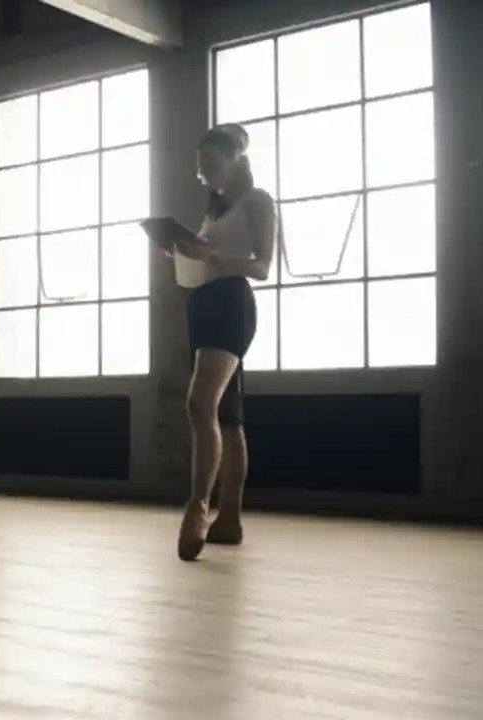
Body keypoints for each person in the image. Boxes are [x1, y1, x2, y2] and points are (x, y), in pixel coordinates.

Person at [169, 124, 277, 561]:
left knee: (200, 403)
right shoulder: (214, 211)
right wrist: (182, 251)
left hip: (232, 302)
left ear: (237, 161)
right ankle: (229, 519)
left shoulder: (258, 201)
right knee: (228, 418)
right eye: (201, 169)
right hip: (203, 302)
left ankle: (198, 507)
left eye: (211, 165)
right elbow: (206, 261)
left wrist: (212, 256)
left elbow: (263, 266)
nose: (206, 174)